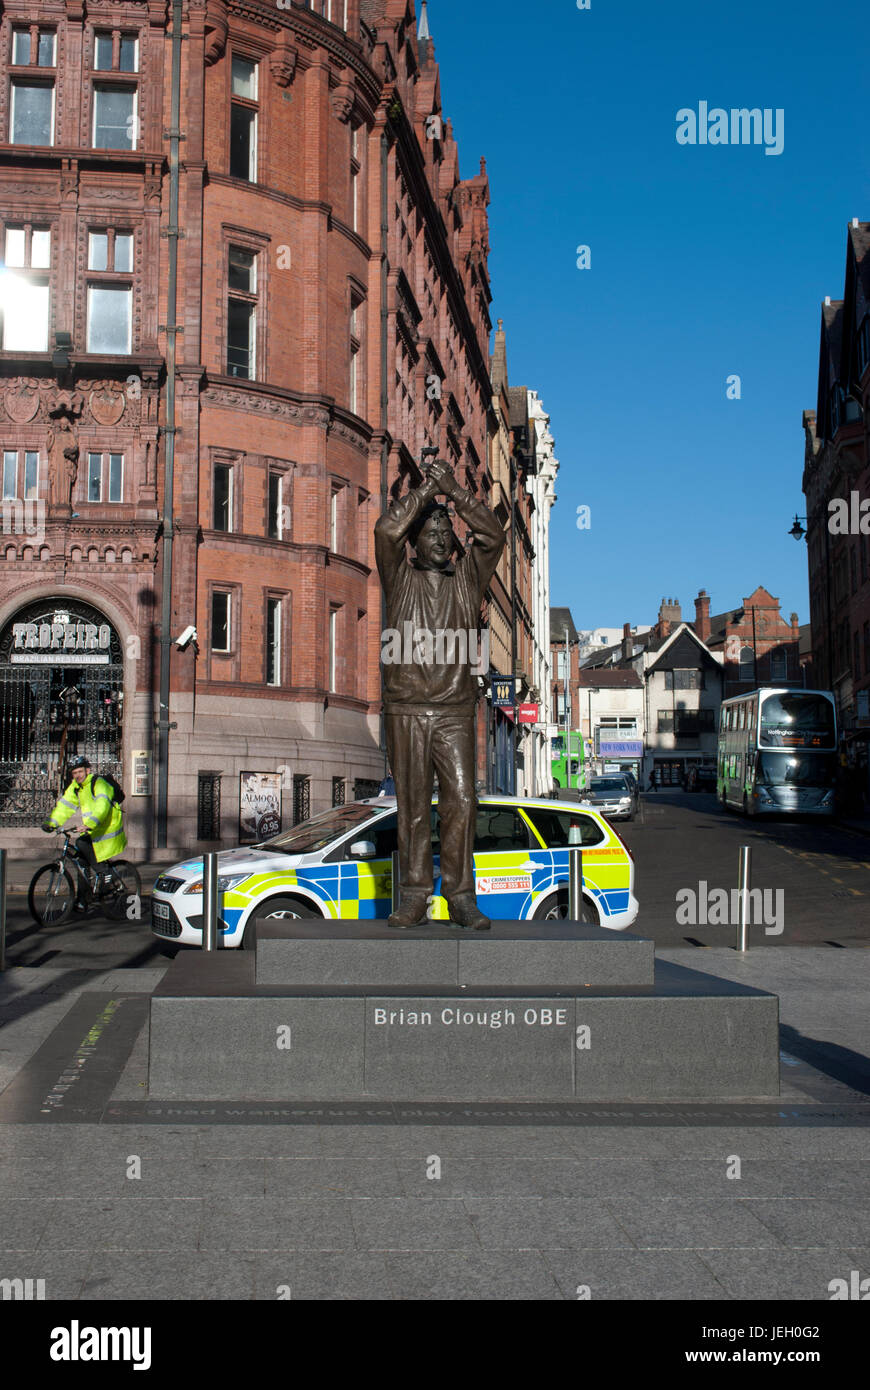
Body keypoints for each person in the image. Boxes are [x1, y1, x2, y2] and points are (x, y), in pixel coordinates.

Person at [375, 458, 504, 930]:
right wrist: (427, 491)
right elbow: (386, 531)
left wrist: (455, 491)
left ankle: (460, 895)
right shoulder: (400, 579)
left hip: (453, 710)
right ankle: (412, 896)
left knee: (462, 801)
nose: (440, 540)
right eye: (430, 533)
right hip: (407, 709)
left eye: (445, 534)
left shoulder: (467, 580)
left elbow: (492, 536)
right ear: (415, 541)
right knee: (410, 806)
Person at [41, 756, 127, 908]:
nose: (77, 775)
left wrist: (89, 824)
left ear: (88, 770)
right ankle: (83, 900)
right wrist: (51, 823)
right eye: (74, 773)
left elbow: (102, 806)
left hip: (107, 826)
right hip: (93, 827)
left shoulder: (99, 783)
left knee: (81, 842)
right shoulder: (76, 787)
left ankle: (104, 872)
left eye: (80, 771)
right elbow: (65, 806)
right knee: (81, 861)